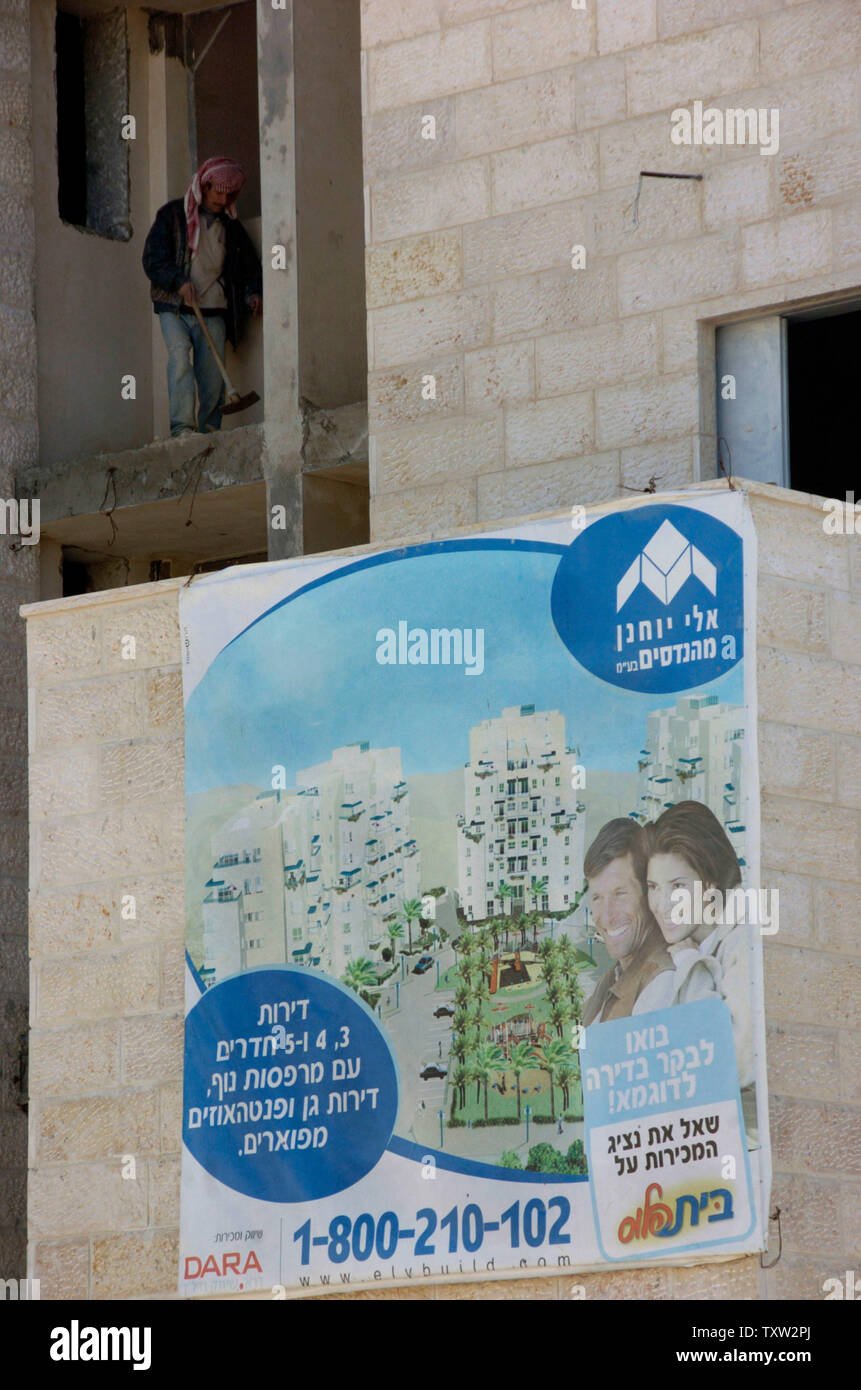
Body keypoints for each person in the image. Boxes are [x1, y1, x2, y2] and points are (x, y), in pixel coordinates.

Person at [142, 156, 262, 438]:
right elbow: (152, 259)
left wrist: (252, 293)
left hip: (213, 310)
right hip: (175, 307)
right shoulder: (172, 215)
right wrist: (178, 281)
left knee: (211, 377)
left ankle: (209, 431)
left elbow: (248, 267)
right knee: (180, 359)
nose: (222, 199)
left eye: (227, 194)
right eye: (217, 192)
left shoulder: (231, 227)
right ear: (203, 187)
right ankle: (182, 429)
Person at [644, 801, 754, 1092]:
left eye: (677, 886)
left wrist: (692, 967)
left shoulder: (745, 942)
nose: (661, 904)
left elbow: (736, 1065)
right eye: (653, 887)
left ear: (710, 883)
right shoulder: (691, 944)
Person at [581, 818, 715, 1025]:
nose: (606, 916)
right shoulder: (614, 977)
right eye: (597, 897)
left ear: (649, 894)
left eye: (620, 894)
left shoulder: (662, 981)